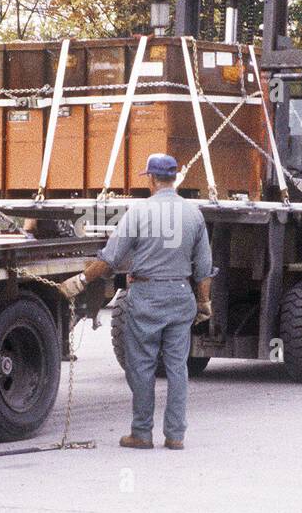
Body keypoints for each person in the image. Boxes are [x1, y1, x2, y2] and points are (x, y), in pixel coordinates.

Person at [59, 154, 213, 449]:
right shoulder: (194, 214)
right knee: (178, 367)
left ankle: (142, 433)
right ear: (175, 178)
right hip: (181, 294)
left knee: (141, 366)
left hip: (146, 296)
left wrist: (81, 281)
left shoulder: (139, 212)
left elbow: (111, 259)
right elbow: (204, 268)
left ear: (152, 179)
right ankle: (176, 435)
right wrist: (204, 303)